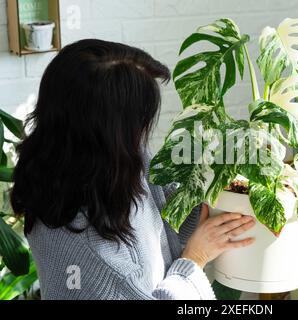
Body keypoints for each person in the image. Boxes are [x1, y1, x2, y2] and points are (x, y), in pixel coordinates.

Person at [10, 39, 255, 300]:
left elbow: (157, 203)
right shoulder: (97, 256)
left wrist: (209, 201)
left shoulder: (85, 160)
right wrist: (195, 258)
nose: (142, 132)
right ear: (109, 133)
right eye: (137, 122)